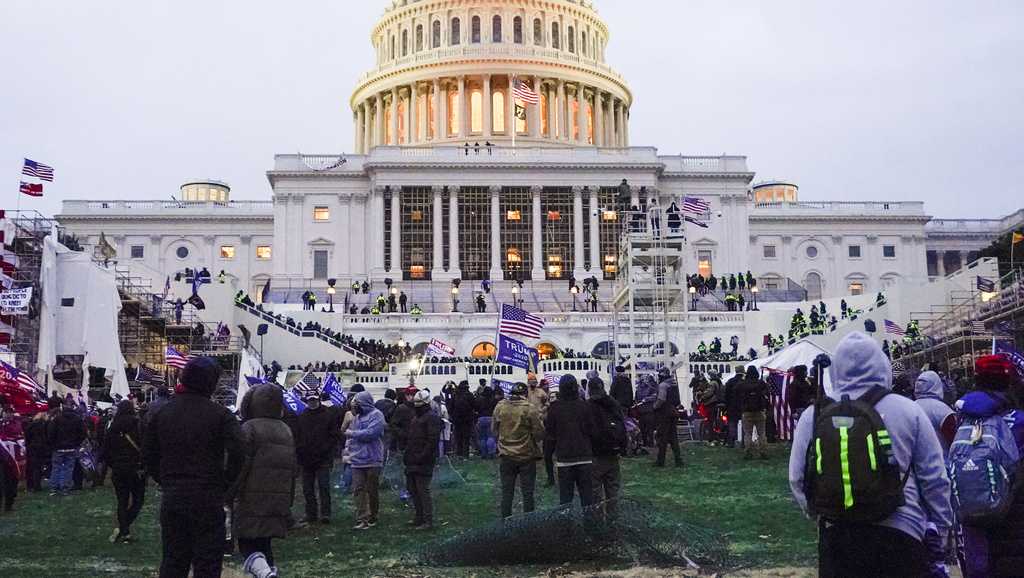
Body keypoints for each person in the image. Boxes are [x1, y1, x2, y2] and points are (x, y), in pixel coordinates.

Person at [788, 332, 952, 578]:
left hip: (837, 535)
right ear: (882, 366)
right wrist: (941, 528)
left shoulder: (815, 414)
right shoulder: (908, 409)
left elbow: (797, 478)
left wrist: (818, 512)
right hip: (901, 531)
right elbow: (934, 478)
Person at [144, 357, 244, 578]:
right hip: (208, 497)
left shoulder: (163, 413)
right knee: (207, 565)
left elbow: (149, 454)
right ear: (211, 383)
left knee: (173, 560)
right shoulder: (220, 415)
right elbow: (239, 451)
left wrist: (166, 480)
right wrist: (225, 483)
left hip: (175, 496)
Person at [955, 355, 1024, 578]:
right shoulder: (1020, 419)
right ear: (1009, 381)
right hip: (1014, 517)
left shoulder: (962, 418)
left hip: (972, 515)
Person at [232, 383, 295, 578]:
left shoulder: (249, 428)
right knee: (265, 543)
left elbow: (241, 465)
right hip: (279, 495)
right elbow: (292, 468)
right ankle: (268, 571)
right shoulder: (285, 429)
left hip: (251, 497)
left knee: (247, 544)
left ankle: (266, 573)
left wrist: (230, 492)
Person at [493, 382, 544, 519]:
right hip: (526, 456)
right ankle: (528, 525)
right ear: (525, 395)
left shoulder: (500, 407)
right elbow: (539, 433)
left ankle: (506, 522)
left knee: (507, 493)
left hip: (506, 456)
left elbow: (494, 430)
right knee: (528, 493)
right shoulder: (529, 408)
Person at [545, 375, 595, 508]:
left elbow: (550, 434)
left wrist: (548, 455)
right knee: (588, 499)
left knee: (566, 499)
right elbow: (592, 430)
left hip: (564, 458)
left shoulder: (554, 408)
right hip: (584, 456)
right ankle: (591, 526)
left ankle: (566, 527)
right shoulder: (585, 406)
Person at [295, 390, 341, 525]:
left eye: (314, 399)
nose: (312, 402)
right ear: (306, 401)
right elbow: (298, 435)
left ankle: (326, 513)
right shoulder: (302, 416)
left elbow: (334, 435)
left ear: (319, 399)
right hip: (306, 458)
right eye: (310, 400)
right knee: (307, 489)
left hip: (323, 458)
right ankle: (311, 513)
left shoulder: (328, 415)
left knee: (324, 486)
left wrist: (328, 450)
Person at [104, 399, 146, 543]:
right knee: (138, 500)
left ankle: (124, 529)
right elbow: (145, 446)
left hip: (118, 469)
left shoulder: (112, 428)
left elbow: (106, 451)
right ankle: (124, 528)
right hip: (136, 469)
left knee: (122, 501)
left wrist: (113, 464)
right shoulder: (138, 425)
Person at [345, 391, 385, 530]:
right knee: (358, 489)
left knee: (371, 489)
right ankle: (362, 518)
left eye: (357, 404)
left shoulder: (377, 415)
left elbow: (371, 434)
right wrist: (347, 451)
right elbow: (350, 438)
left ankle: (373, 515)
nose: (355, 407)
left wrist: (352, 434)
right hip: (357, 460)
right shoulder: (356, 418)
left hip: (373, 459)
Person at [403, 390, 442, 530]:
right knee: (412, 489)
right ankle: (419, 517)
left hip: (424, 460)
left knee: (422, 490)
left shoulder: (431, 418)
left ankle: (427, 520)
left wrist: (422, 456)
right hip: (412, 458)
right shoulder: (416, 418)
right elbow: (411, 438)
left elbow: (432, 441)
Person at [588, 379, 624, 515]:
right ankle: (612, 521)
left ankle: (598, 523)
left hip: (595, 454)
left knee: (595, 493)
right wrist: (622, 448)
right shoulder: (613, 403)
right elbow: (622, 426)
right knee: (613, 491)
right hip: (612, 453)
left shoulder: (588, 406)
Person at [47, 397, 86, 496]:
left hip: (58, 448)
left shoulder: (57, 419)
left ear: (63, 406)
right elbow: (83, 433)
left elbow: (51, 433)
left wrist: (53, 444)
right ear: (73, 406)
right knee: (68, 469)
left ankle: (54, 488)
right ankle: (65, 488)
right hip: (71, 447)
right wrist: (77, 443)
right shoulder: (77, 419)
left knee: (56, 468)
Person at [653, 367, 683, 467]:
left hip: (665, 413)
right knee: (674, 438)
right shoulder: (674, 384)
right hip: (674, 412)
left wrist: (654, 406)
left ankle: (660, 461)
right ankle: (678, 460)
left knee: (662, 438)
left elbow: (661, 399)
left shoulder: (663, 385)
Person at [737, 366, 769, 460]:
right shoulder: (760, 383)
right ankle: (763, 451)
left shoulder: (743, 384)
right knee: (762, 433)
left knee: (748, 434)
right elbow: (767, 392)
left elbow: (736, 393)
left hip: (747, 411)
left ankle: (748, 452)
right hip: (759, 410)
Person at [448, 381, 475, 458]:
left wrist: (453, 416)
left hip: (457, 420)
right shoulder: (469, 395)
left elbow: (450, 408)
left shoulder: (455, 395)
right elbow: (474, 405)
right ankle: (465, 455)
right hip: (467, 419)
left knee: (458, 437)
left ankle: (459, 454)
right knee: (466, 438)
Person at [24, 411, 49, 493]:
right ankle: (37, 486)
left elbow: (27, 436)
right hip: (41, 447)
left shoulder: (31, 424)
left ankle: (30, 485)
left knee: (32, 467)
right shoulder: (45, 425)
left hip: (31, 447)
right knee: (38, 467)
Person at [723, 367, 745, 448]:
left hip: (731, 406)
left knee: (732, 424)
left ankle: (732, 442)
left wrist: (726, 406)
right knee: (744, 424)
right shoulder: (744, 382)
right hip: (742, 406)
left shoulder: (730, 382)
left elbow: (726, 395)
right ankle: (743, 442)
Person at [475, 386, 497, 459]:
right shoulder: (494, 400)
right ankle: (491, 453)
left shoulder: (479, 400)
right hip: (491, 418)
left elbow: (476, 408)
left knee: (482, 438)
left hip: (481, 418)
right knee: (491, 437)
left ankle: (483, 454)